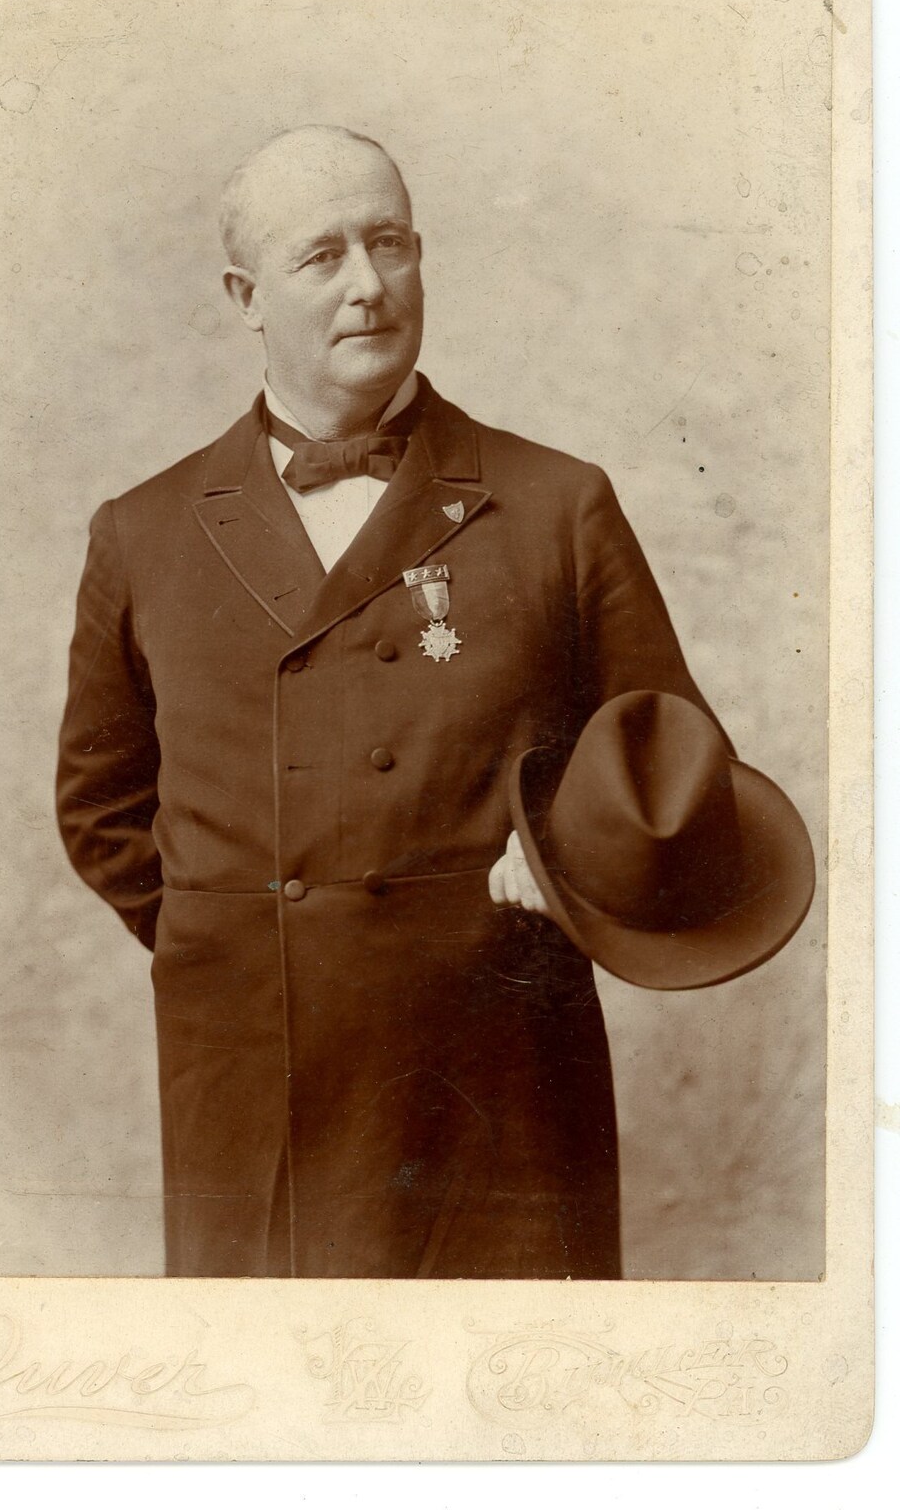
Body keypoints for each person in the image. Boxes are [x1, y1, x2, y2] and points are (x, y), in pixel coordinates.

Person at [56, 124, 812, 1281]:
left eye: (391, 243)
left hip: (499, 1072)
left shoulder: (557, 504)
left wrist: (569, 852)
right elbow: (103, 808)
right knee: (271, 1428)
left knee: (507, 1420)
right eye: (322, 257)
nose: (369, 285)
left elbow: (673, 759)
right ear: (245, 297)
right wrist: (252, 942)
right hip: (254, 1083)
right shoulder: (142, 530)